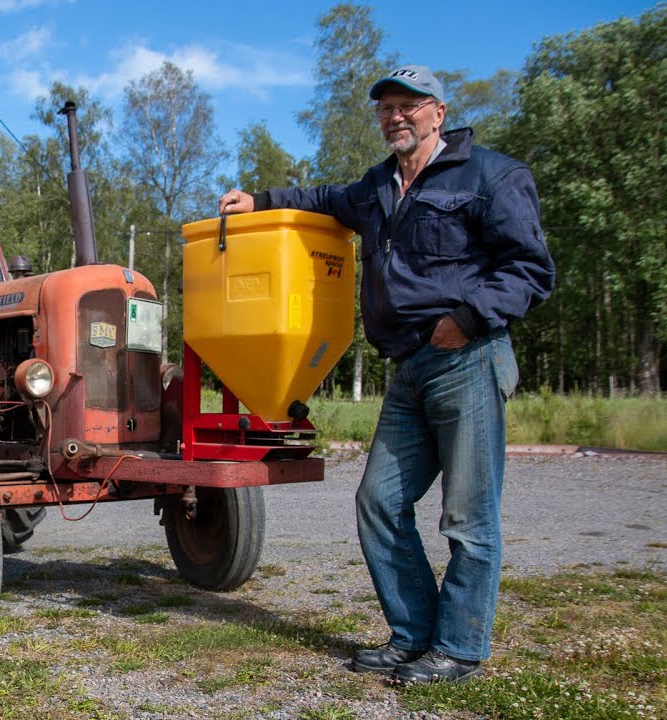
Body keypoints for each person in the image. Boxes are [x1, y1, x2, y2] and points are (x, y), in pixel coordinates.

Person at [219, 65, 555, 684]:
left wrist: (466, 319)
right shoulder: (378, 186)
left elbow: (529, 269)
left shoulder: (490, 176)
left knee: (468, 515)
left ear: (438, 113)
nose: (395, 116)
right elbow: (325, 200)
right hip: (408, 365)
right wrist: (260, 201)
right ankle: (413, 637)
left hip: (468, 357)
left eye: (409, 105)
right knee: (379, 501)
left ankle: (460, 649)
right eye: (385, 108)